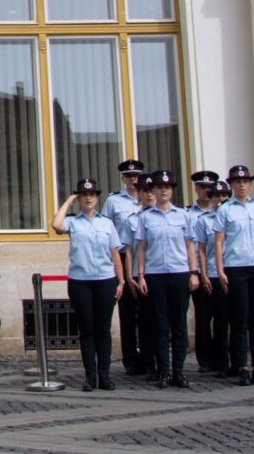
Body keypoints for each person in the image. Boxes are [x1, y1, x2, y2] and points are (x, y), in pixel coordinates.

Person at [53, 178, 124, 391]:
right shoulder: (74, 222)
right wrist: (68, 201)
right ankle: (90, 377)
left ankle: (104, 376)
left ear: (97, 197)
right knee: (86, 331)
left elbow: (115, 254)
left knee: (103, 330)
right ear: (80, 198)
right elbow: (56, 225)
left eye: (92, 195)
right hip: (80, 281)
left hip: (105, 280)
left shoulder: (107, 223)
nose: (88, 198)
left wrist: (120, 281)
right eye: (84, 195)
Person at [136, 169, 199, 389]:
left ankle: (179, 371)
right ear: (152, 190)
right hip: (155, 274)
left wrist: (194, 272)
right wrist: (141, 275)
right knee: (160, 326)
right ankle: (163, 371)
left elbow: (190, 245)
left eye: (167, 187)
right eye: (160, 187)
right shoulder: (145, 217)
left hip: (179, 273)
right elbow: (142, 248)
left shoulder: (183, 215)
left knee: (179, 326)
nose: (164, 190)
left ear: (172, 191)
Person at [214, 165, 254, 385]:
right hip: (236, 266)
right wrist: (220, 270)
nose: (241, 185)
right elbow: (219, 242)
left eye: (245, 181)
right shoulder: (225, 210)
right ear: (231, 185)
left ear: (250, 184)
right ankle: (241, 366)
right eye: (237, 182)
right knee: (239, 319)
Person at [102, 159, 145, 373]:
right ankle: (131, 360)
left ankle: (148, 357)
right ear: (123, 178)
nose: (133, 179)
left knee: (147, 314)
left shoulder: (150, 198)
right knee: (127, 314)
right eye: (129, 176)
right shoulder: (114, 201)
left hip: (145, 260)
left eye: (136, 175)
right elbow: (104, 229)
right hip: (121, 257)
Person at [123, 175, 159, 378]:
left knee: (160, 322)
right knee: (143, 321)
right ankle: (146, 361)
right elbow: (128, 250)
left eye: (152, 191)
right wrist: (129, 276)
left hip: (160, 273)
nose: (150, 195)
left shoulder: (170, 215)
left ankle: (159, 362)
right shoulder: (133, 219)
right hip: (139, 275)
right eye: (146, 191)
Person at [186, 169, 221, 373]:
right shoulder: (189, 214)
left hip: (219, 272)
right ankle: (205, 359)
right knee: (203, 317)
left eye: (210, 188)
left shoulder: (221, 214)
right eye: (202, 187)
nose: (206, 191)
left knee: (222, 317)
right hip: (199, 272)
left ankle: (220, 357)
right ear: (196, 189)